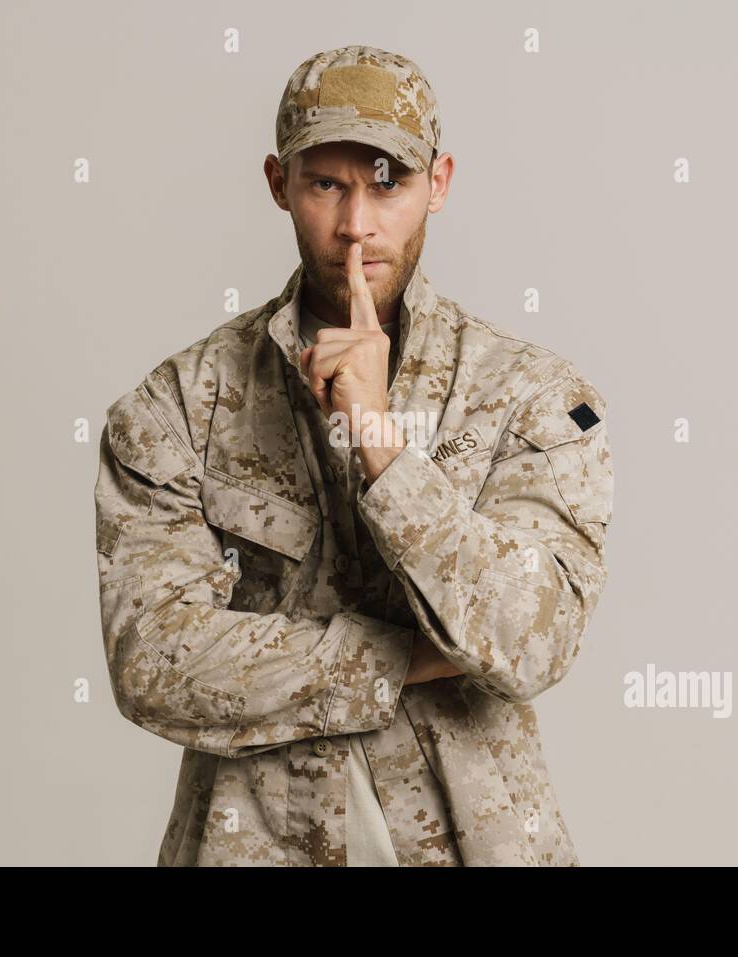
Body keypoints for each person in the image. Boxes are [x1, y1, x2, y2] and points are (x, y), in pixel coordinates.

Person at [93, 44, 613, 866]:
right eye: (326, 184)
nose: (355, 226)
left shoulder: (533, 395)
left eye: (387, 184)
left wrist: (380, 439)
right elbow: (152, 663)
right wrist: (407, 656)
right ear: (278, 184)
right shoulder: (176, 407)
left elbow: (533, 637)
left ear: (437, 184)